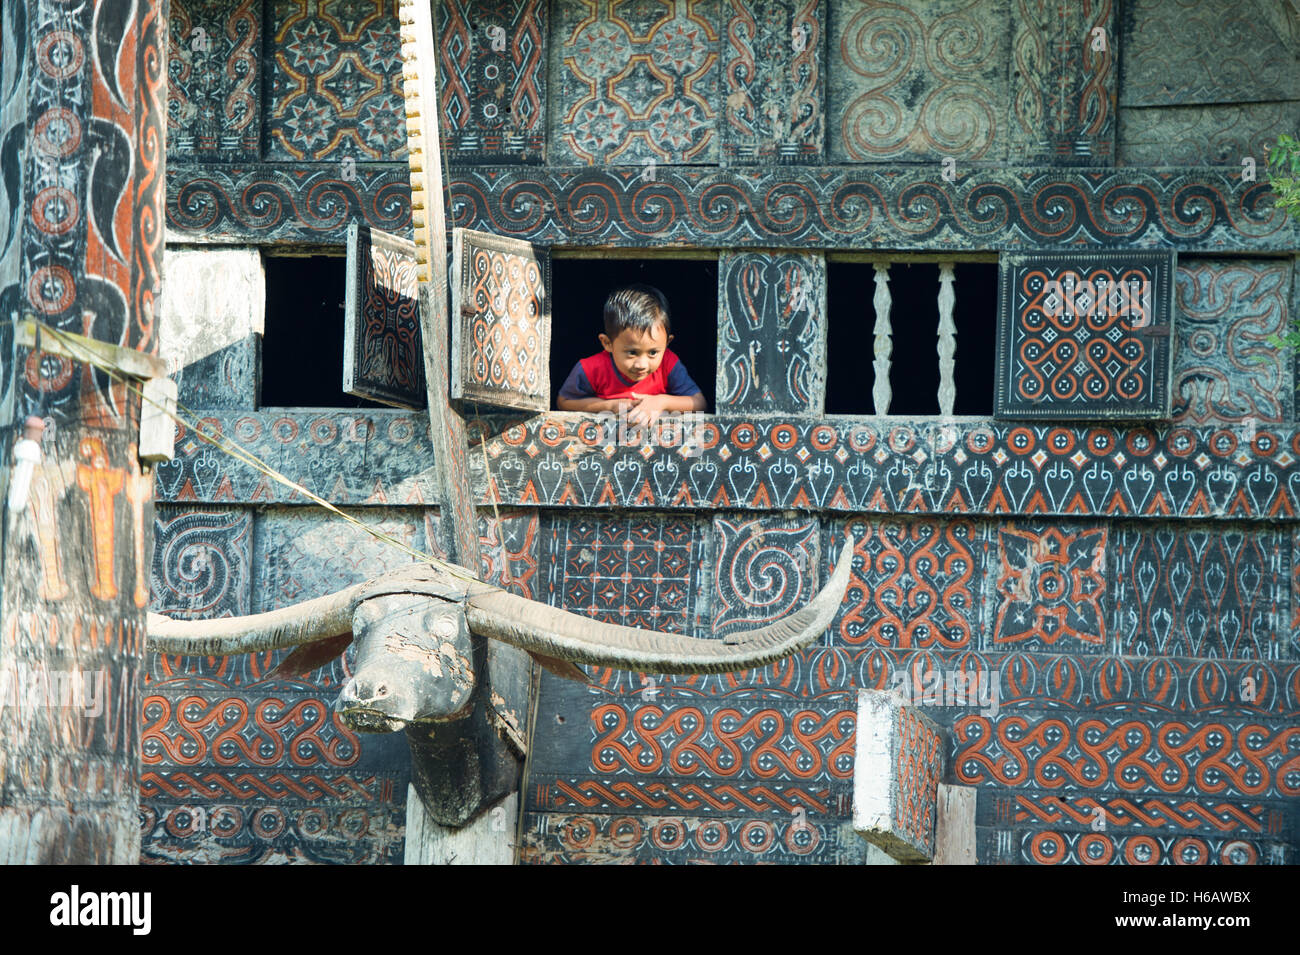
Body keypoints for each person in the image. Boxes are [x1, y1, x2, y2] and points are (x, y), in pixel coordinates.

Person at [556, 284, 706, 424]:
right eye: (632, 352)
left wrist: (661, 402)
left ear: (667, 343)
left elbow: (699, 403)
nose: (642, 364)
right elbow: (564, 402)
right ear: (607, 343)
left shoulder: (669, 364)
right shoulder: (590, 369)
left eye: (653, 352)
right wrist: (609, 406)